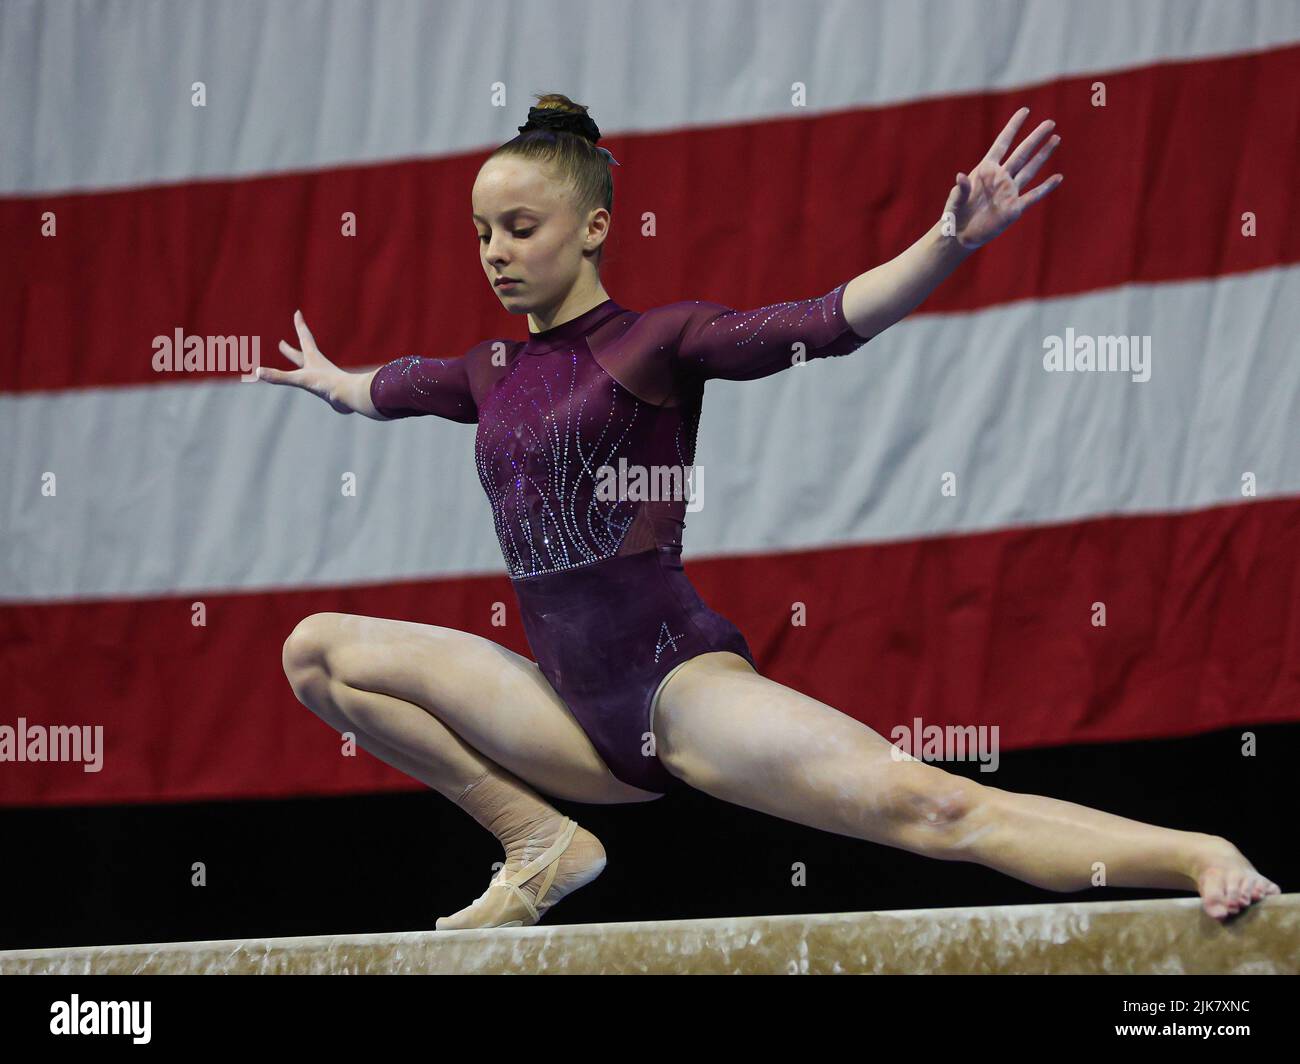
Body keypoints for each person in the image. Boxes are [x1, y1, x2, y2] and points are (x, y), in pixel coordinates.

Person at [260, 93, 1279, 929]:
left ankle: (1194, 849)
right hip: (560, 709)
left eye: (521, 226)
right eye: (482, 231)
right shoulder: (486, 372)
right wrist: (331, 378)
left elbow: (824, 322)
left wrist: (943, 244)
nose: (496, 250)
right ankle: (539, 840)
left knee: (934, 806)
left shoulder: (658, 342)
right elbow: (384, 387)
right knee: (316, 650)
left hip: (673, 690)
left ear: (594, 227)